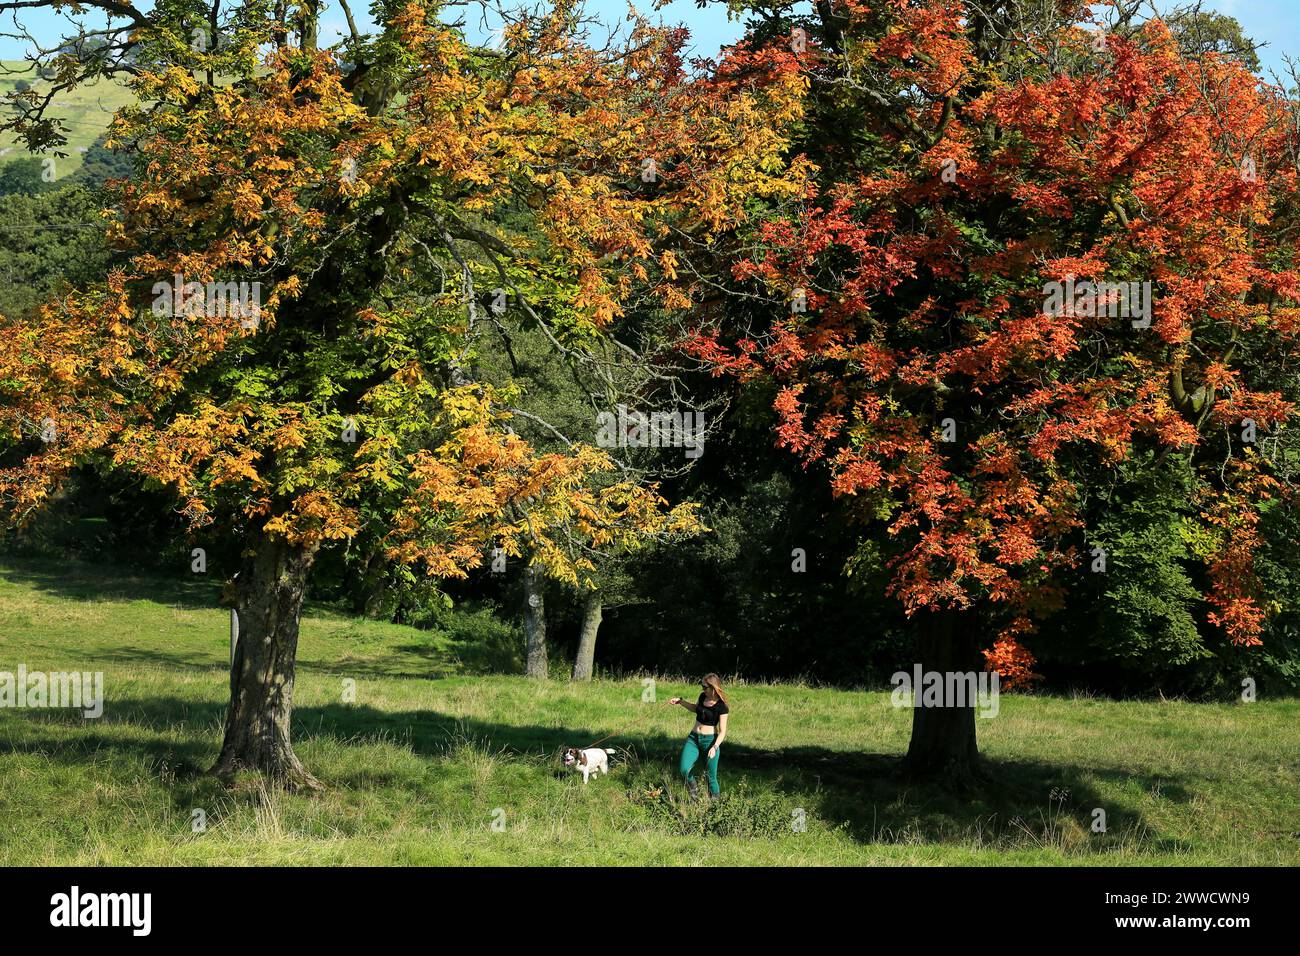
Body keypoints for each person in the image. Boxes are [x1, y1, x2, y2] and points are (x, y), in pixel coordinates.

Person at [669, 673, 729, 800]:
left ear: (713, 688)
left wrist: (715, 747)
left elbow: (723, 731)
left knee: (710, 776)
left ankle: (715, 806)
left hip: (710, 742)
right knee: (684, 769)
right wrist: (680, 702)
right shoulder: (702, 697)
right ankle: (693, 790)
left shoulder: (722, 706)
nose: (702, 689)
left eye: (705, 687)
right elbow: (695, 708)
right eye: (702, 686)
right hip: (694, 739)